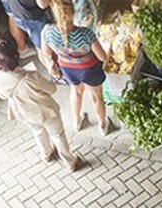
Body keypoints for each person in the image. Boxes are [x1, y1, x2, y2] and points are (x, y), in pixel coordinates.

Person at [0, 39, 84, 171]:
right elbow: (52, 89)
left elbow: (2, 96)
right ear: (15, 55)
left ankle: (47, 154)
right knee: (57, 135)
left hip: (25, 113)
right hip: (47, 112)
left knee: (38, 132)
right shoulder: (31, 76)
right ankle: (70, 162)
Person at [39, 0, 110, 135]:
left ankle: (77, 122)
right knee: (96, 97)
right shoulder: (86, 33)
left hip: (68, 69)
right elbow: (102, 57)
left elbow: (46, 54)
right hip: (89, 69)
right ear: (73, 13)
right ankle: (102, 125)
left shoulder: (47, 31)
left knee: (76, 92)